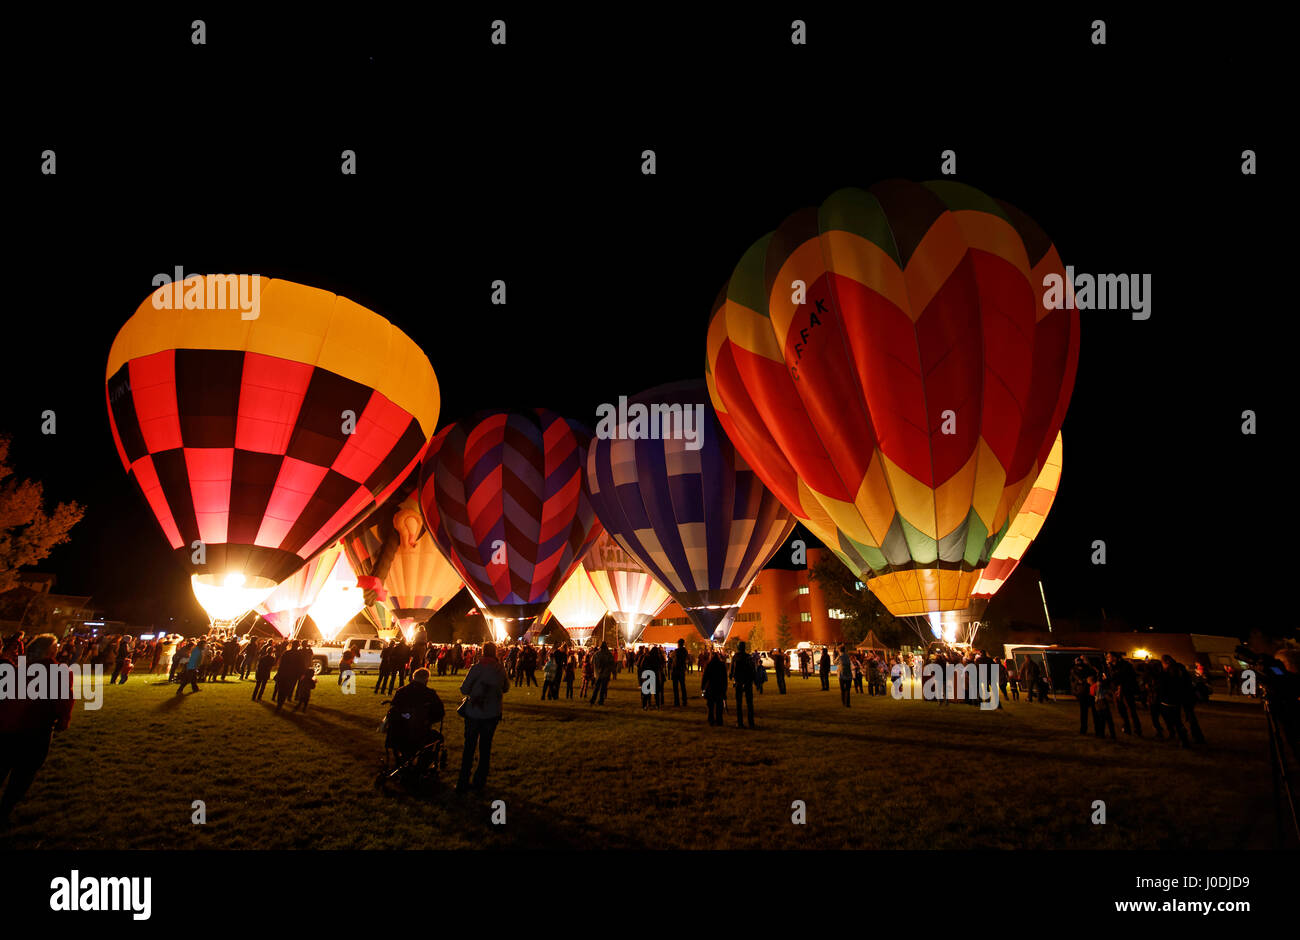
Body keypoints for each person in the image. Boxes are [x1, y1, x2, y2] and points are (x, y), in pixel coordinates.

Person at [0, 635, 74, 826]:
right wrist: (63, 721)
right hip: (36, 731)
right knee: (22, 775)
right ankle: (4, 811)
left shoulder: (17, 667)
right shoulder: (59, 671)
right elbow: (64, 700)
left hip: (7, 729)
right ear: (51, 650)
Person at [456, 642, 510, 794]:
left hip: (474, 712)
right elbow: (506, 688)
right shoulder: (500, 669)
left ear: (482, 652)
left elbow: (464, 689)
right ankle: (480, 781)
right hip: (492, 713)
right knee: (485, 747)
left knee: (469, 747)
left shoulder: (476, 668)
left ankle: (463, 781)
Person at [388, 667, 446, 786]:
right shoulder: (430, 694)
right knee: (436, 738)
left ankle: (403, 763)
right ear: (426, 680)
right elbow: (440, 714)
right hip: (419, 735)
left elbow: (393, 711)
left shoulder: (401, 691)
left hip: (397, 734)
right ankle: (420, 767)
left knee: (413, 741)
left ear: (413, 678)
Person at [1105, 652, 1142, 736]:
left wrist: (1120, 687)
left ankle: (1137, 729)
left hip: (1126, 691)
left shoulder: (1125, 665)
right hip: (1115, 691)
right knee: (1120, 710)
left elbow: (1124, 677)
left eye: (1109, 656)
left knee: (1131, 710)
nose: (1107, 658)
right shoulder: (1110, 666)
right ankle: (1126, 727)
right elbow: (1110, 678)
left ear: (1114, 657)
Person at [730, 641, 756, 728]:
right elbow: (753, 669)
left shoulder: (735, 657)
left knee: (739, 703)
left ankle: (740, 722)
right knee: (749, 703)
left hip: (739, 682)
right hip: (748, 682)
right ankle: (751, 722)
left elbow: (731, 670)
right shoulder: (749, 657)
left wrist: (731, 677)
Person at [1069, 657, 1096, 734]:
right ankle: (1084, 729)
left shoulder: (1087, 669)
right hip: (1083, 692)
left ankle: (1089, 729)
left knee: (1091, 711)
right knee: (1084, 712)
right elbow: (1076, 680)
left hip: (1088, 691)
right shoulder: (1074, 670)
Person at [701, 652, 729, 726]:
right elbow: (725, 678)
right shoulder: (722, 665)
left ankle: (711, 720)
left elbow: (705, 677)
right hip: (719, 687)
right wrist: (725, 688)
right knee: (719, 705)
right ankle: (719, 720)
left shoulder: (709, 665)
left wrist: (703, 688)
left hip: (711, 687)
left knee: (710, 705)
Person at [671, 639, 690, 707]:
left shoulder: (676, 651)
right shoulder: (685, 651)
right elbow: (687, 659)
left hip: (676, 671)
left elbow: (671, 656)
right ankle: (684, 701)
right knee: (683, 687)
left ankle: (677, 702)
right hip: (682, 670)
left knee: (675, 688)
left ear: (679, 644)